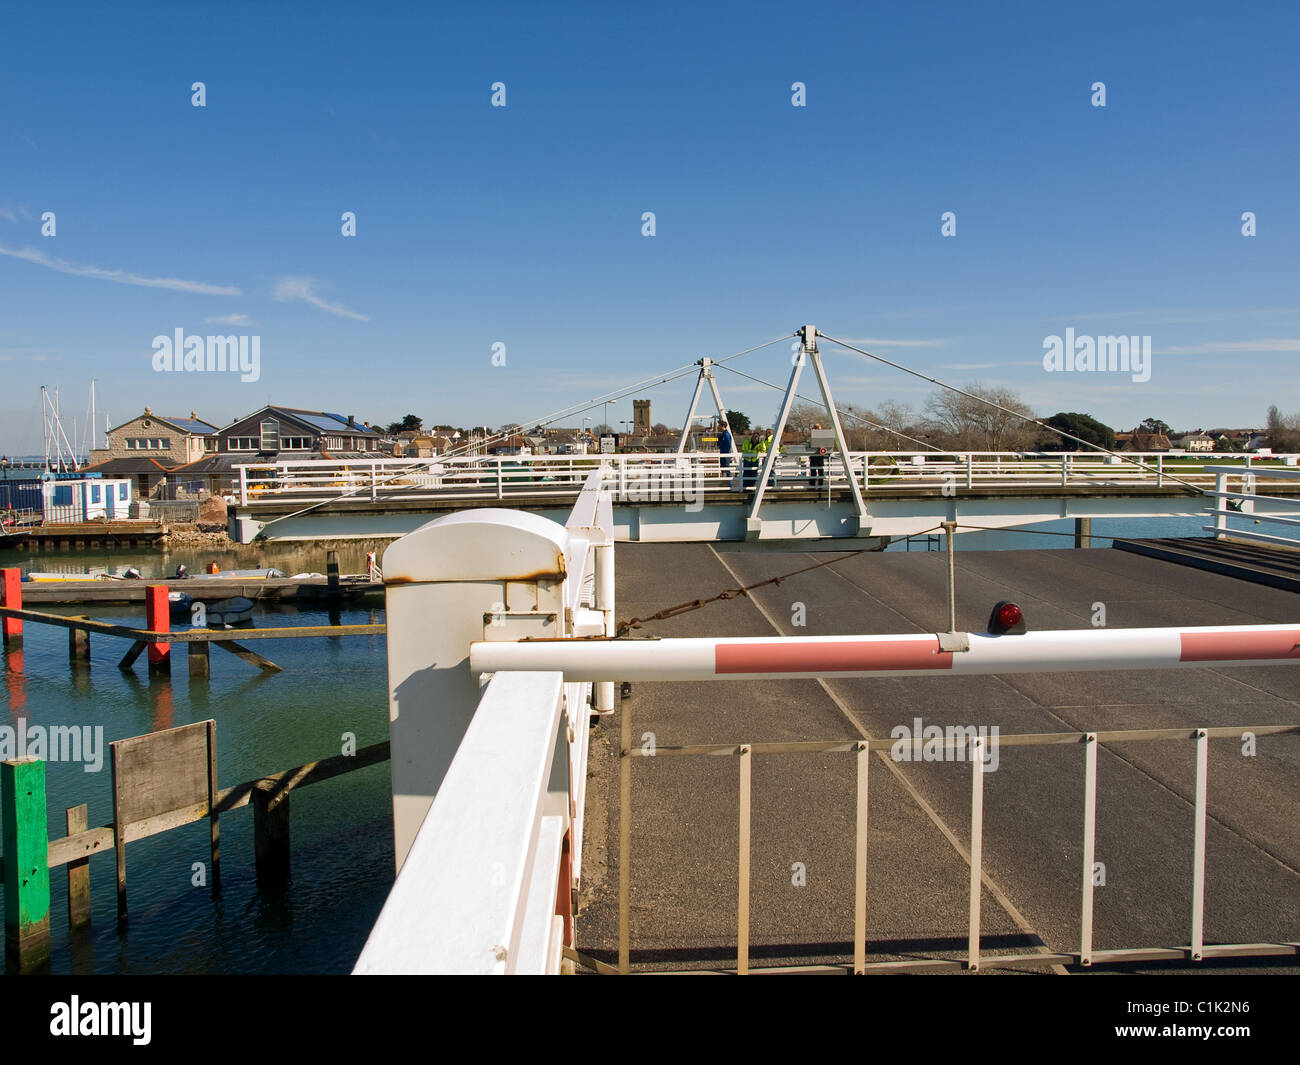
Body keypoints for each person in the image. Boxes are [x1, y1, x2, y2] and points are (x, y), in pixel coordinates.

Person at [809, 422, 827, 490]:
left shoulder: (821, 436)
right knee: (814, 471)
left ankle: (819, 485)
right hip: (814, 455)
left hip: (819, 456)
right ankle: (814, 485)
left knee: (819, 471)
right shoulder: (813, 435)